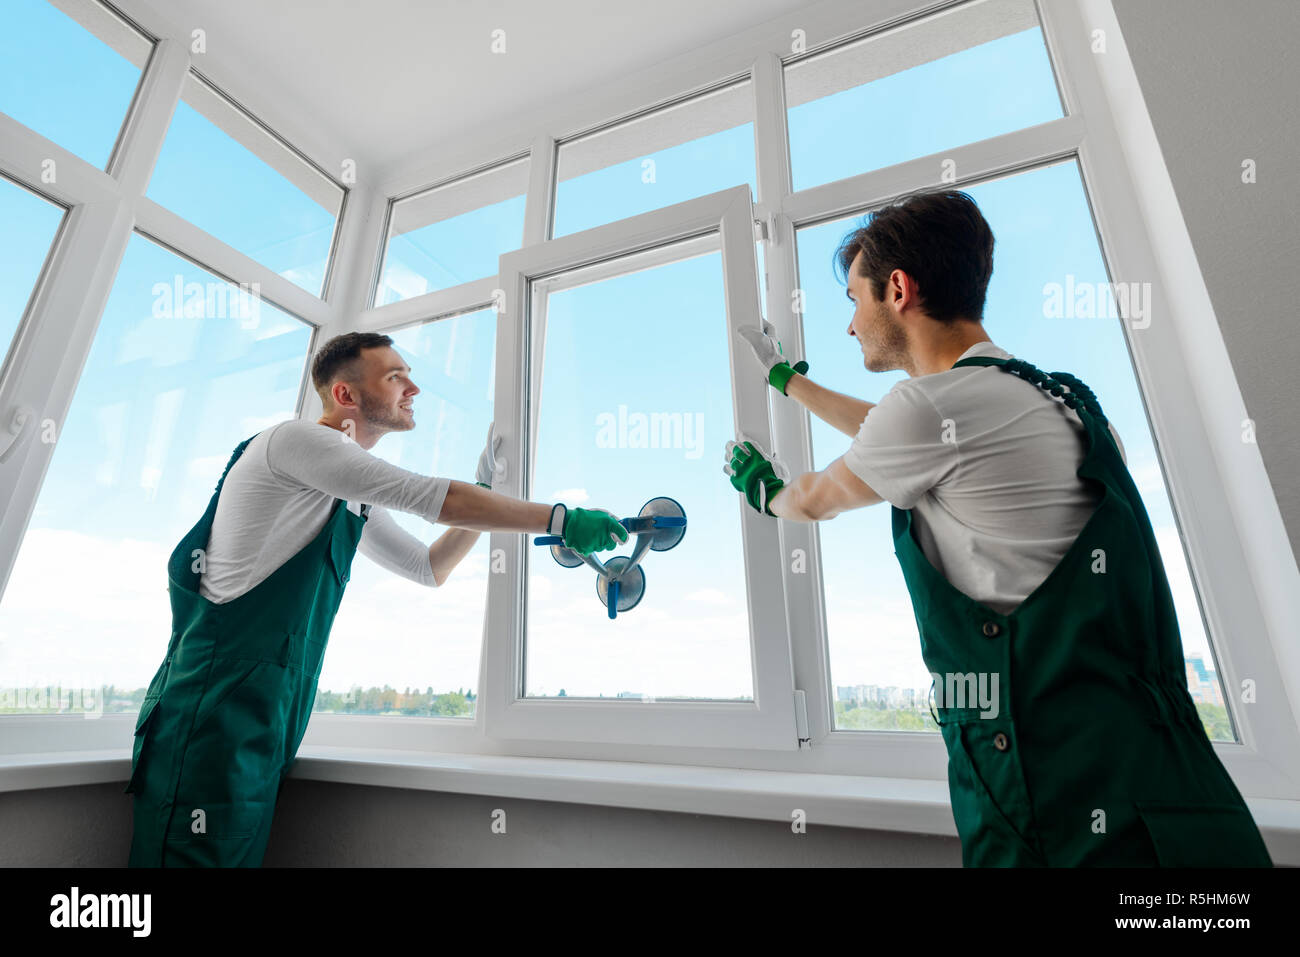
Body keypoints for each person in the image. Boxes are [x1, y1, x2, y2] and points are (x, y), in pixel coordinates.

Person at [725, 189, 1271, 867]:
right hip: (1181, 802)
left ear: (898, 289)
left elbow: (815, 497)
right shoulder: (1062, 399)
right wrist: (787, 380)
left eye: (855, 301)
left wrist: (762, 488)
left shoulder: (928, 410)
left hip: (1056, 811)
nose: (850, 326)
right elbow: (900, 435)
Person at [126, 331, 627, 866]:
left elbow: (427, 567)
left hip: (264, 721)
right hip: (211, 715)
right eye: (395, 377)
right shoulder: (298, 442)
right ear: (345, 396)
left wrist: (488, 492)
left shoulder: (348, 492)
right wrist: (561, 518)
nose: (413, 387)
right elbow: (432, 498)